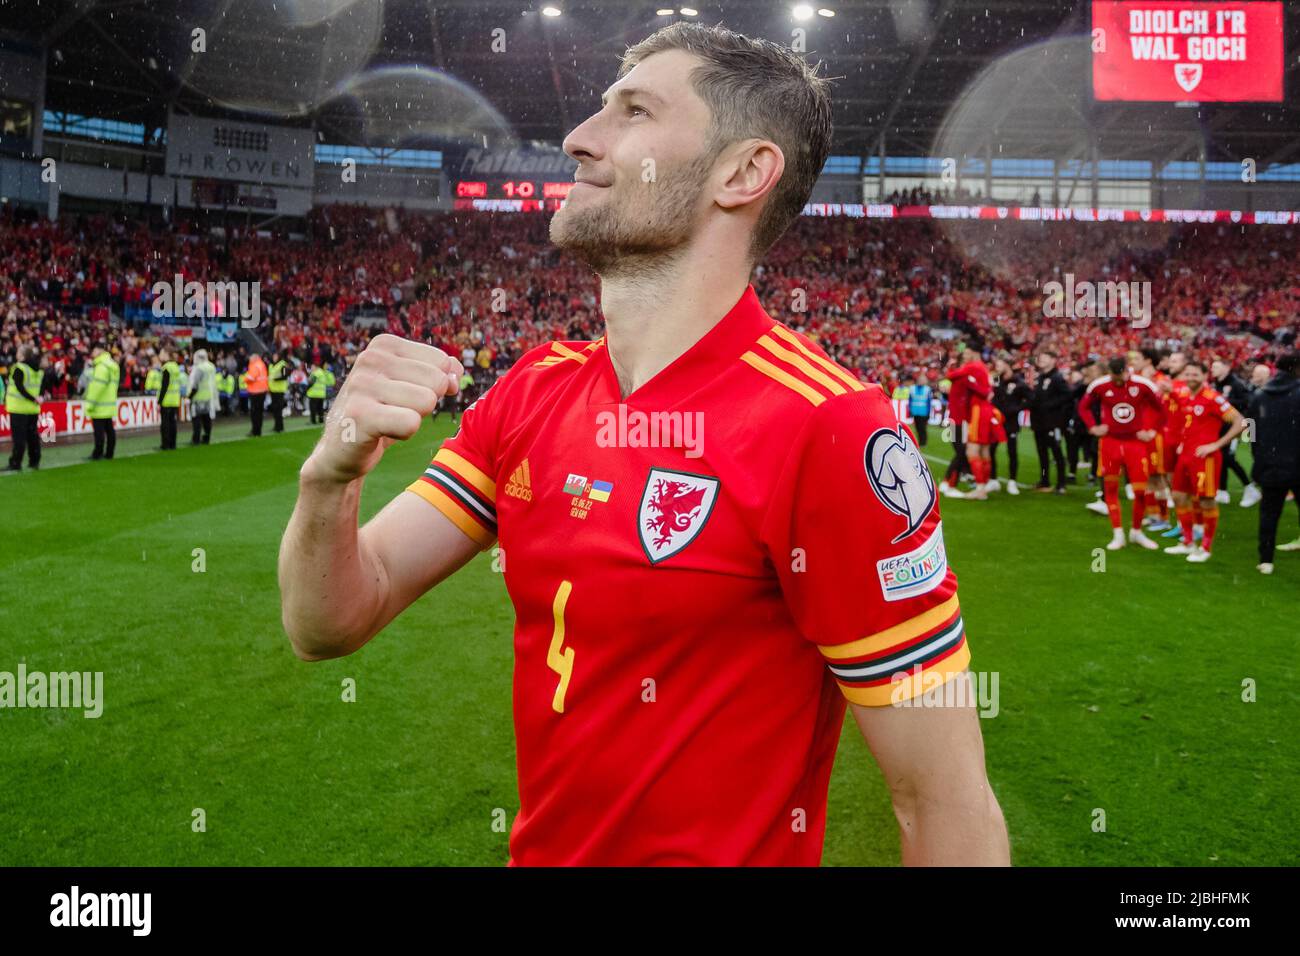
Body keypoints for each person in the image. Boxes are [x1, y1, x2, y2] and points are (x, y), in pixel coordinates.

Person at [279, 22, 1007, 867]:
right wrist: (328, 482)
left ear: (742, 173)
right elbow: (327, 622)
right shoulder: (534, 390)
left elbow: (943, 803)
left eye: (633, 112)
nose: (579, 139)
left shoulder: (830, 427)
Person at [1163, 360, 1247, 564]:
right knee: (1178, 496)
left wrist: (1216, 445)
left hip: (1205, 457)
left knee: (1206, 500)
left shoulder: (1212, 398)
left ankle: (1206, 548)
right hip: (1186, 455)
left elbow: (1241, 422)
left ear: (1204, 376)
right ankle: (1188, 542)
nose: (1191, 378)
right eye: (1188, 374)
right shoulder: (1184, 396)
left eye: (1195, 375)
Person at [1077, 357, 1164, 551]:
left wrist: (1152, 431)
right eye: (1114, 376)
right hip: (1110, 443)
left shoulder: (1143, 384)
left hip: (1135, 444)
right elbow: (1083, 407)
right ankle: (1118, 534)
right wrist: (1093, 427)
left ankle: (1136, 531)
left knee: (1140, 490)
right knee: (1110, 489)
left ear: (1127, 371)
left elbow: (1161, 409)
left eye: (1121, 375)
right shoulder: (1099, 385)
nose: (1118, 380)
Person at [1246, 352, 1300, 574]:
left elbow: (1250, 430)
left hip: (1270, 464)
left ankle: (1265, 559)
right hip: (1297, 464)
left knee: (1269, 513)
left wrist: (1259, 456)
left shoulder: (1260, 395)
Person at [1211, 358, 1259, 506]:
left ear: (1226, 368)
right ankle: (1222, 491)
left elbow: (1247, 402)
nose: (1212, 369)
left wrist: (1226, 401)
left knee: (1227, 457)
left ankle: (1249, 487)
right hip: (1221, 426)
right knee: (1222, 456)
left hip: (1234, 427)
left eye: (1216, 366)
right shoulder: (1216, 385)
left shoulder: (1236, 384)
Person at [1028, 350, 1069, 494]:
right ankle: (1044, 480)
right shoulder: (1040, 377)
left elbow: (1067, 396)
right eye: (1040, 358)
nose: (1041, 360)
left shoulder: (1057, 377)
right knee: (1042, 452)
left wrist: (1050, 405)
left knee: (1056, 452)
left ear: (1053, 360)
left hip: (1052, 422)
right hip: (1039, 422)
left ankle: (1061, 484)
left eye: (1045, 358)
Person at [990, 353, 1027, 495]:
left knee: (1012, 451)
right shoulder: (996, 380)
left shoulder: (1018, 382)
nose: (997, 367)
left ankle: (1012, 481)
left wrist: (1017, 409)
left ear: (1007, 365)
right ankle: (993, 480)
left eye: (999, 365)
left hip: (1011, 422)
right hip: (996, 423)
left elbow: (1031, 398)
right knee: (991, 450)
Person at [4, 346, 44, 472]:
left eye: (19, 351)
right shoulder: (38, 370)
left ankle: (16, 462)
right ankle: (34, 461)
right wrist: (38, 398)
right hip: (32, 409)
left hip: (18, 408)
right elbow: (43, 386)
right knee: (32, 437)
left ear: (22, 355)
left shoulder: (19, 368)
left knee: (19, 438)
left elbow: (19, 387)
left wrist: (32, 398)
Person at [84, 342, 120, 461]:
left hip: (99, 405)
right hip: (109, 403)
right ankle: (109, 453)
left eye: (94, 351)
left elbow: (97, 387)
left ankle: (97, 453)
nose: (92, 353)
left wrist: (90, 403)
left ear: (100, 351)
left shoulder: (101, 367)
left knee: (99, 432)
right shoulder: (113, 366)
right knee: (109, 430)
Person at [188, 349, 218, 445]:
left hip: (198, 397)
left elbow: (195, 384)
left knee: (196, 419)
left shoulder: (199, 368)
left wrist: (190, 396)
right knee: (207, 419)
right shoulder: (211, 366)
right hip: (209, 396)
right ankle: (206, 437)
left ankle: (196, 439)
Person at [156, 347, 181, 450]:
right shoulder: (176, 367)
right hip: (175, 399)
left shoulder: (166, 368)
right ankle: (173, 444)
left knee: (165, 424)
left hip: (166, 400)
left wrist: (159, 401)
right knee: (173, 422)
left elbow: (164, 386)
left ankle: (165, 444)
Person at [245, 351, 268, 436]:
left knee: (254, 413)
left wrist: (244, 378)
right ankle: (258, 430)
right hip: (262, 390)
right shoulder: (262, 364)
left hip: (255, 391)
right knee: (259, 412)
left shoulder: (254, 365)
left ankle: (255, 431)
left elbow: (250, 377)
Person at [907, 371, 932, 447]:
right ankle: (920, 441)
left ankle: (923, 442)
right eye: (920, 380)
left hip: (923, 412)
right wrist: (910, 410)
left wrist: (928, 412)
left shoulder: (927, 389)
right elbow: (910, 400)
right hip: (915, 411)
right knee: (917, 428)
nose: (922, 381)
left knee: (922, 428)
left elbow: (929, 402)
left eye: (923, 380)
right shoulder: (912, 388)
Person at [268, 350, 289, 433]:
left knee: (279, 409)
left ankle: (280, 427)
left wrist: (274, 379)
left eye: (276, 356)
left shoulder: (282, 365)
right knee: (275, 409)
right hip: (273, 390)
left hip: (279, 390)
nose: (274, 358)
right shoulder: (271, 365)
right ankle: (276, 425)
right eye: (273, 356)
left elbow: (284, 376)